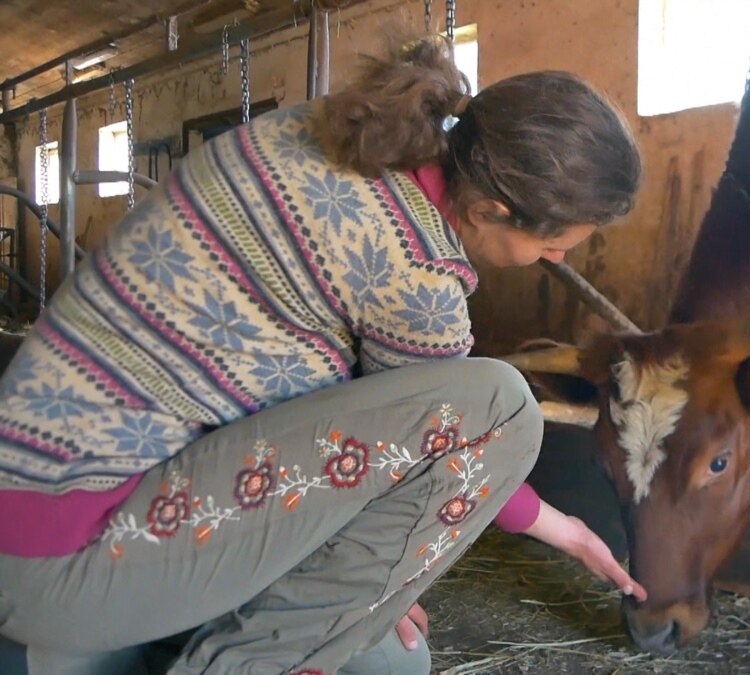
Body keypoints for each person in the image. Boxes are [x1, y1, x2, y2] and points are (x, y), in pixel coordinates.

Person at [0, 27, 645, 675]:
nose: (557, 261)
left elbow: (337, 428)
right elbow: (453, 445)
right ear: (493, 211)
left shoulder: (324, 134)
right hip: (66, 555)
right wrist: (556, 528)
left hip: (40, 501)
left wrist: (358, 590)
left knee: (386, 652)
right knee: (501, 406)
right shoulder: (416, 275)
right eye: (553, 244)